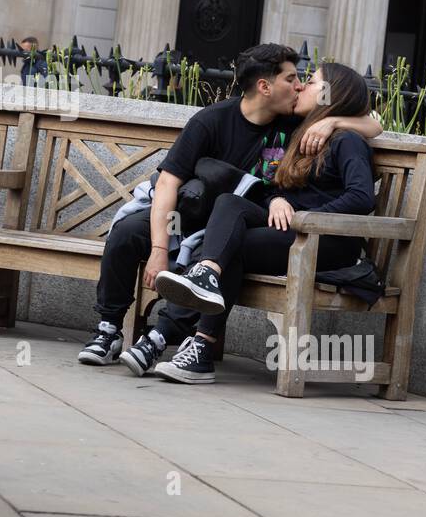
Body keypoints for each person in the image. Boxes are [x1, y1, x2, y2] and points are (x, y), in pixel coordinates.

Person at [77, 44, 382, 368]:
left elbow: (372, 120)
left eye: (307, 81)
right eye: (293, 79)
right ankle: (109, 330)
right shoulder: (213, 120)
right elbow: (168, 183)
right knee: (126, 233)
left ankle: (166, 336)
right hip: (188, 216)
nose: (300, 86)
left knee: (223, 246)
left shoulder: (296, 126)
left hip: (239, 222)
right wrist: (158, 248)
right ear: (264, 86)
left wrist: (331, 121)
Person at [150, 62, 378, 384]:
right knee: (229, 205)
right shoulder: (302, 133)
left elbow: (361, 198)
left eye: (311, 83)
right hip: (295, 232)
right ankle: (206, 277)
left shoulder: (346, 141)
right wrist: (276, 200)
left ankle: (183, 340)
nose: (300, 87)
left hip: (327, 241)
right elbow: (280, 191)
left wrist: (304, 219)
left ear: (331, 95)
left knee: (233, 246)